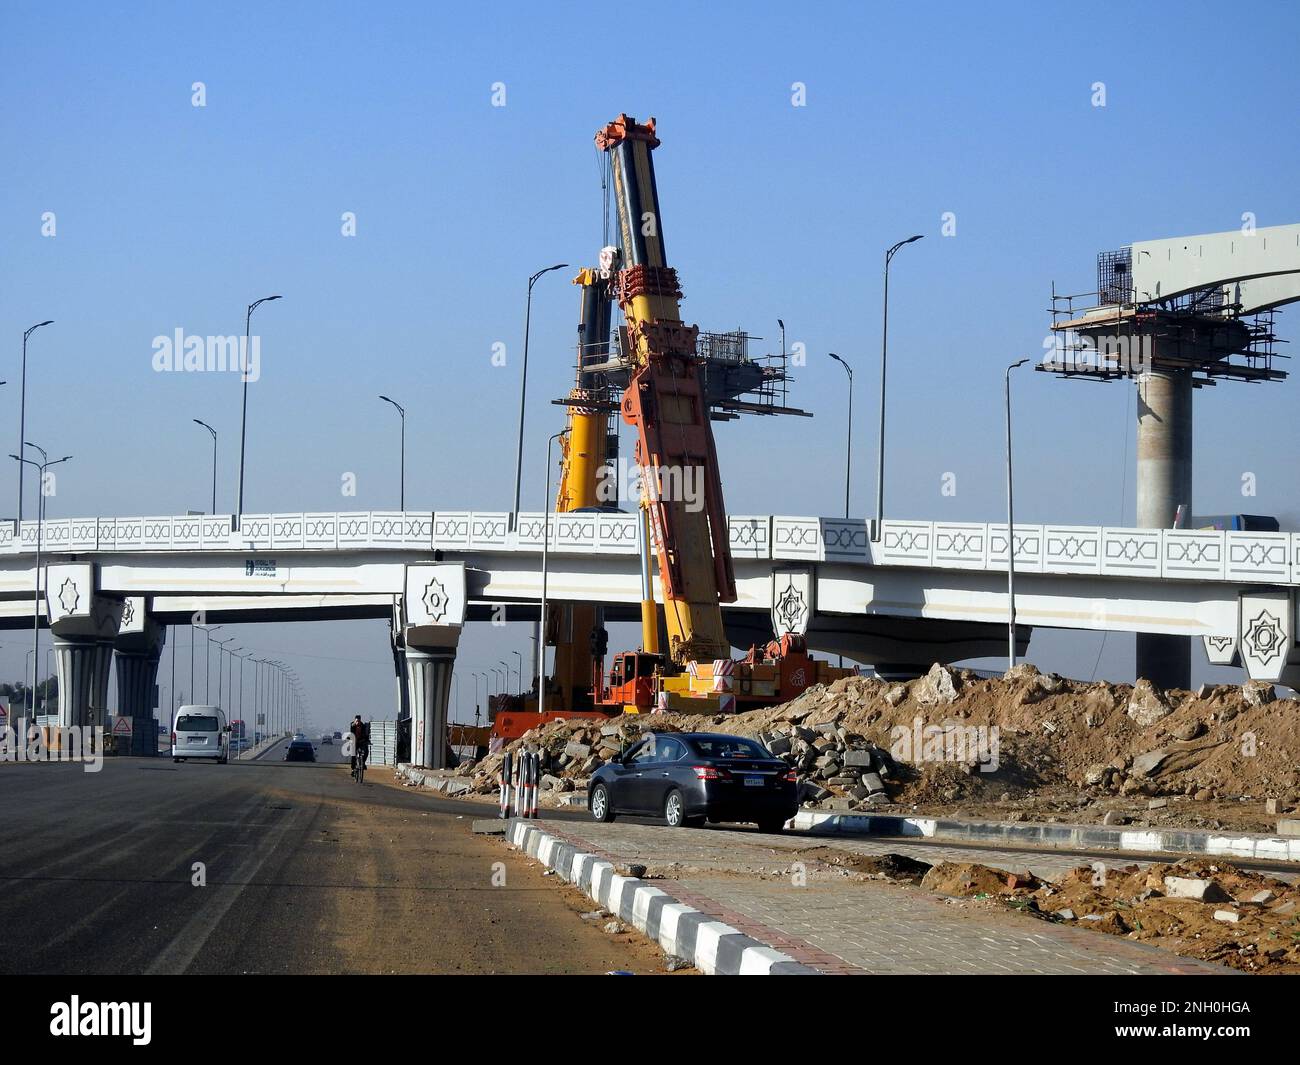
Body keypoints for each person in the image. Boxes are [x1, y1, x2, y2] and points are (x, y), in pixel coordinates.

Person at [349, 715, 370, 780]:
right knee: (353, 755)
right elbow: (351, 734)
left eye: (358, 721)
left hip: (361, 741)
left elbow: (366, 734)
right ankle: (353, 769)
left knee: (366, 751)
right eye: (356, 721)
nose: (357, 722)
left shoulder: (363, 726)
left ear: (360, 720)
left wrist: (367, 740)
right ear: (355, 721)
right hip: (355, 742)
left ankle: (363, 763)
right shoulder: (352, 726)